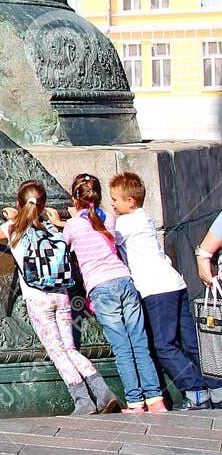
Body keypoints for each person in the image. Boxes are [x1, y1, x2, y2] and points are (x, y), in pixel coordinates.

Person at [0, 181, 118, 415]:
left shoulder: (12, 228)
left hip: (38, 299)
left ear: (18, 203)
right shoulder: (51, 228)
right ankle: (103, 392)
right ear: (42, 206)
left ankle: (83, 401)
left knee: (57, 352)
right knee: (70, 348)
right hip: (61, 295)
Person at [63, 173, 164, 414]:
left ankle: (135, 402)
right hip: (125, 282)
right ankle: (156, 400)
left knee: (122, 347)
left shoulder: (73, 225)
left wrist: (66, 219)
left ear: (75, 199)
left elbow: (64, 246)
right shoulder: (109, 220)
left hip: (102, 288)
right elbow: (96, 225)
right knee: (140, 344)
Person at [108, 172, 211, 409]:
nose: (112, 204)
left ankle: (195, 392)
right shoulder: (144, 217)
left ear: (130, 201)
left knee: (164, 346)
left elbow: (105, 237)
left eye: (115, 199)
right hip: (175, 284)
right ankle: (216, 386)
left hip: (156, 290)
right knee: (190, 343)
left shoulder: (125, 223)